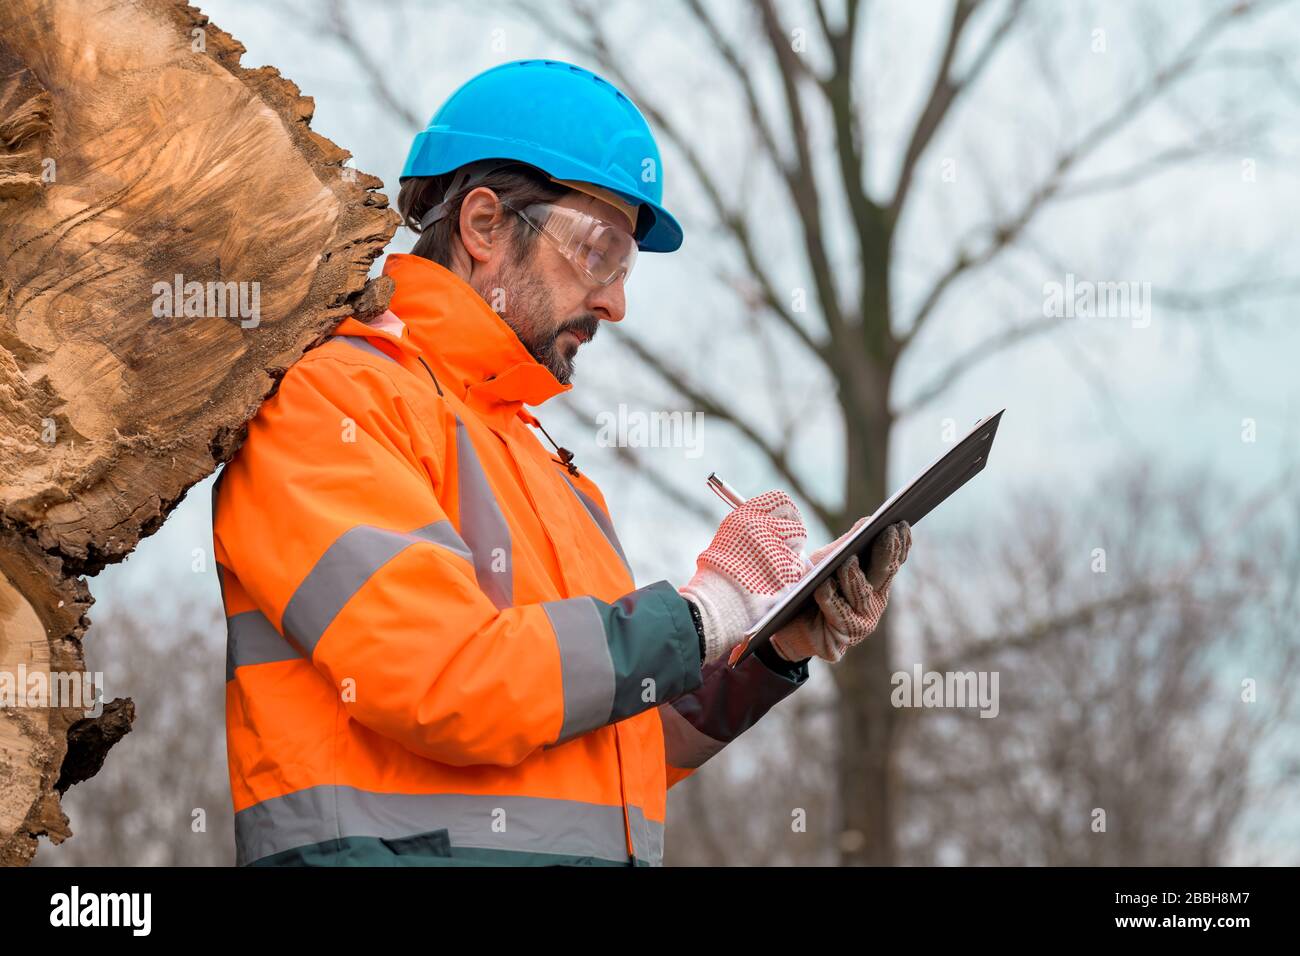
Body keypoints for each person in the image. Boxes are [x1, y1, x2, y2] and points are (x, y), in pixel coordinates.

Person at [211, 59, 911, 867]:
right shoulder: (333, 403)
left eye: (624, 268)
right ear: (482, 226)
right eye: (599, 253)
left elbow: (616, 741)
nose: (616, 302)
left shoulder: (552, 472)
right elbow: (445, 679)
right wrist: (704, 612)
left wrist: (768, 639)